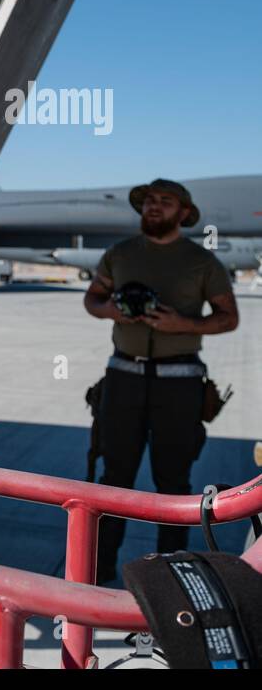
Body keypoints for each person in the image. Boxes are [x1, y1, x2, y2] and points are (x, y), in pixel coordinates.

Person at [83, 178, 239, 584]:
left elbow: (228, 317)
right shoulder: (120, 254)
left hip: (179, 384)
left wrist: (182, 323)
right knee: (115, 480)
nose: (154, 207)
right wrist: (112, 312)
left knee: (173, 483)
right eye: (149, 201)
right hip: (122, 379)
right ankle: (98, 573)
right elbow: (92, 299)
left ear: (183, 213)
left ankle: (173, 579)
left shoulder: (202, 263)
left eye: (165, 201)